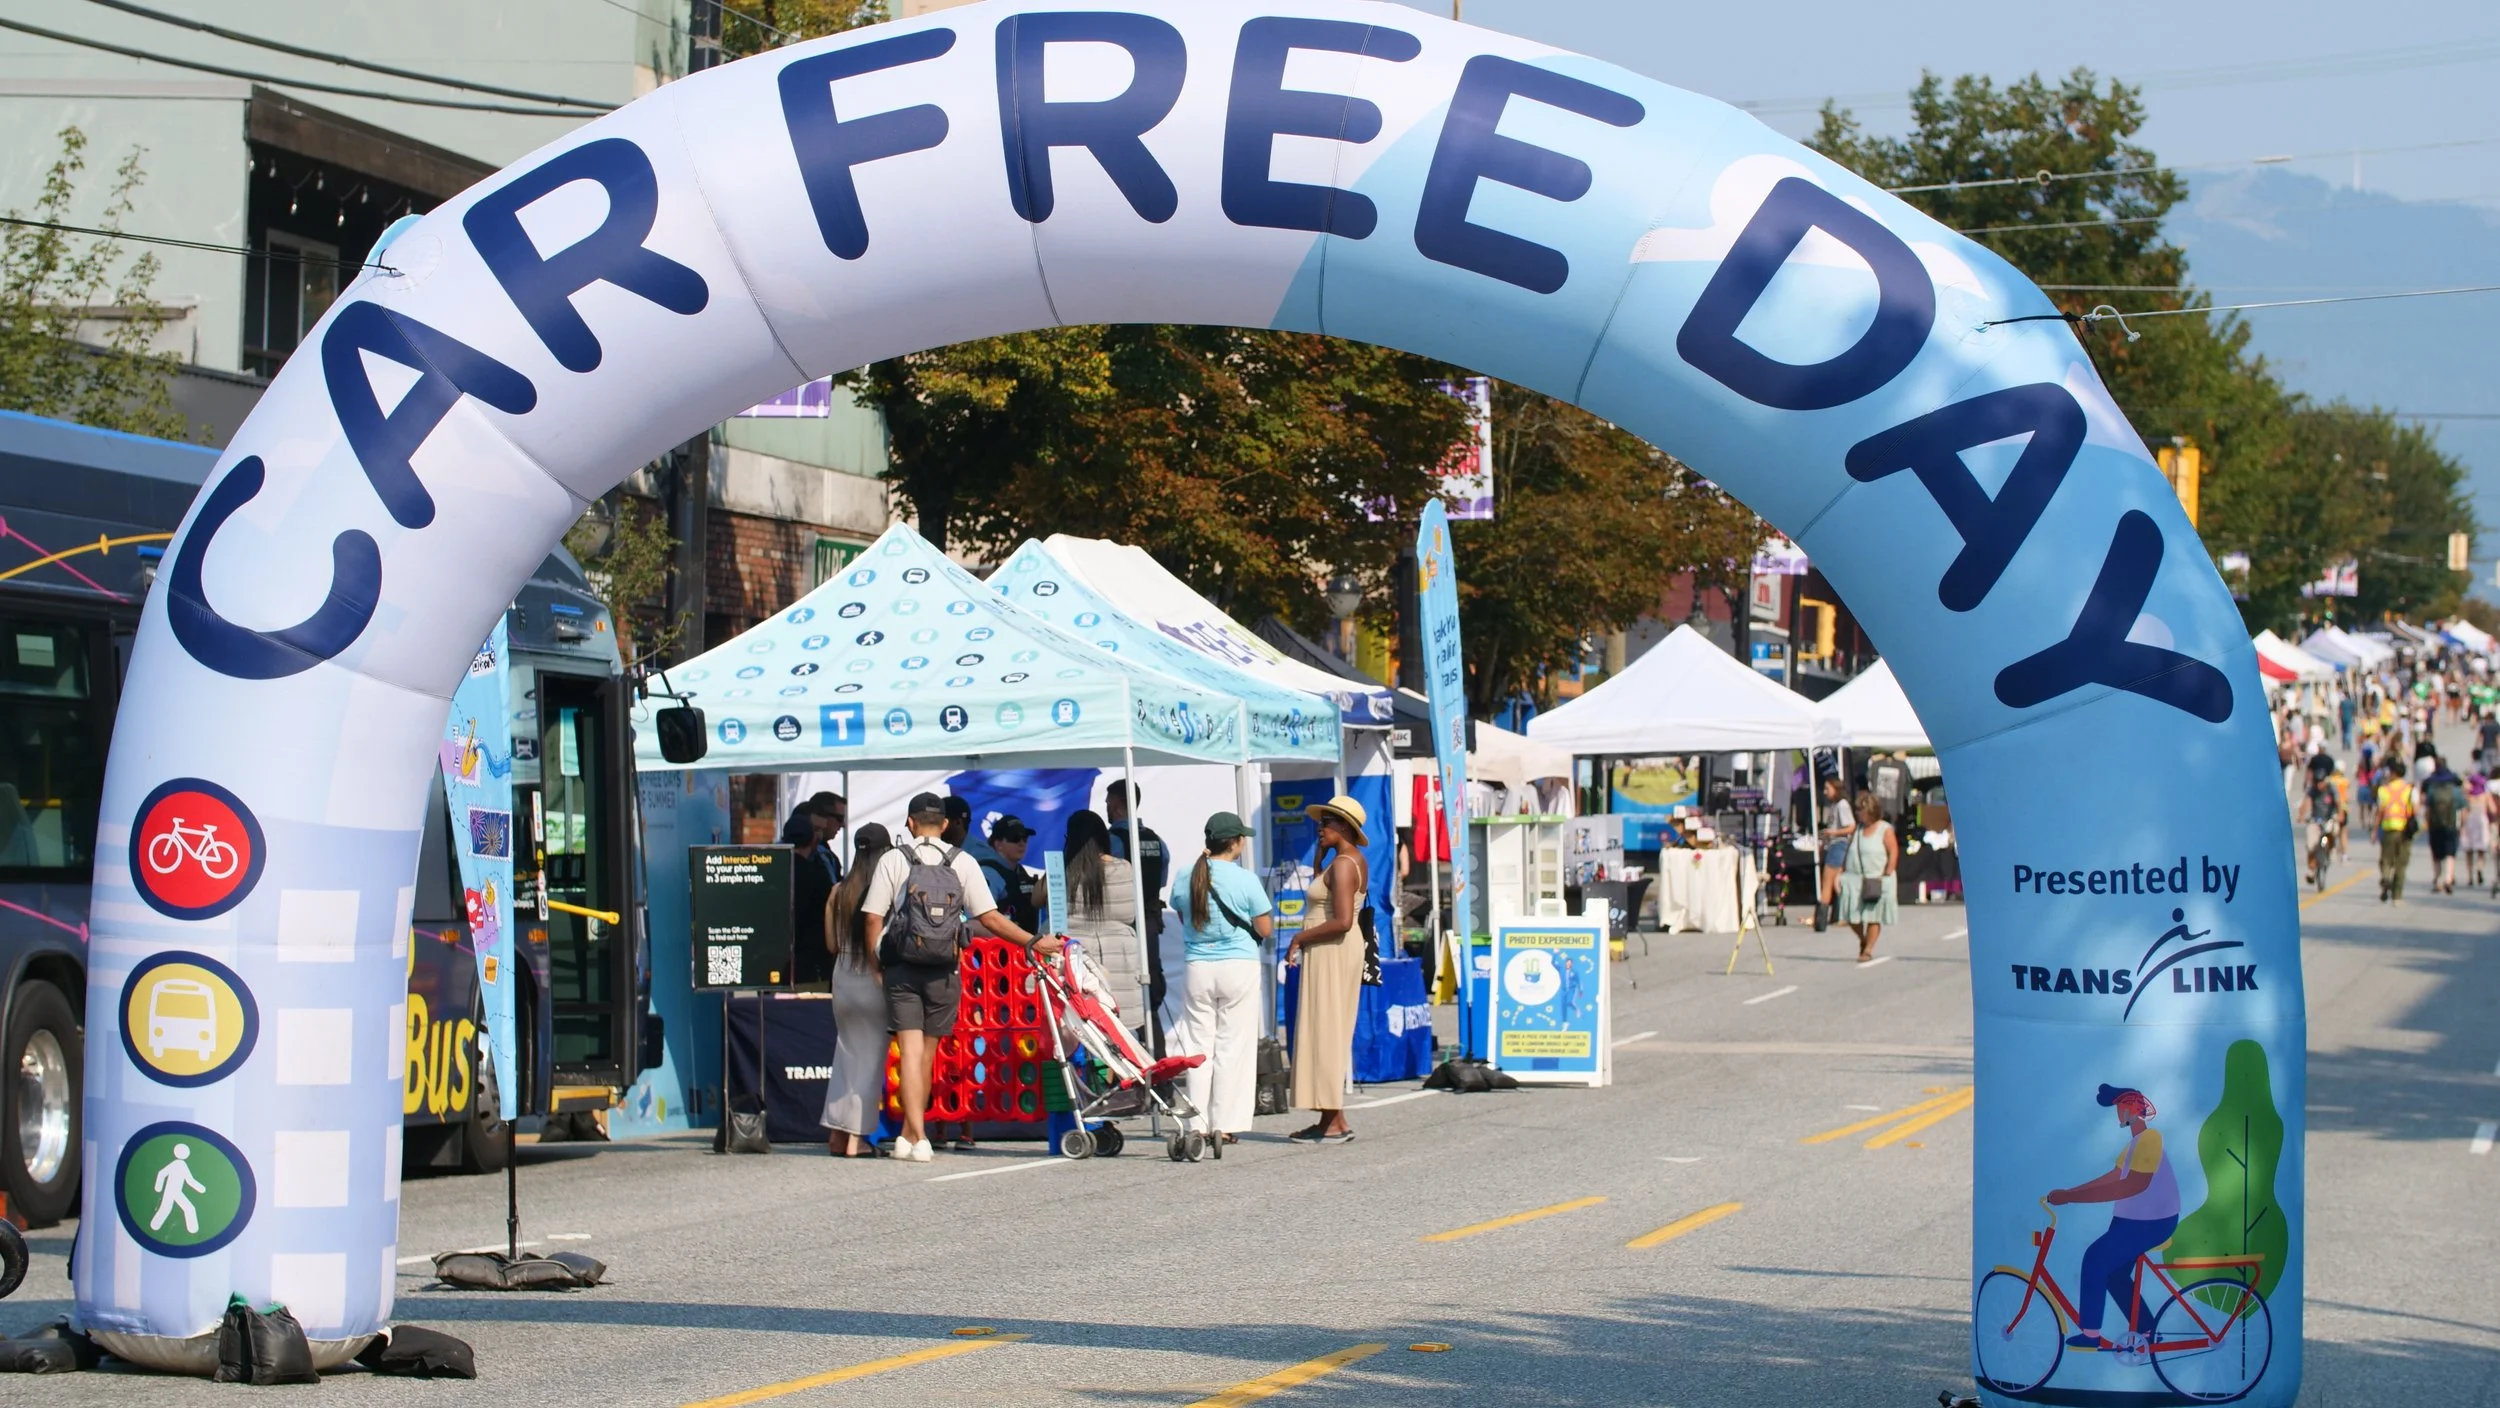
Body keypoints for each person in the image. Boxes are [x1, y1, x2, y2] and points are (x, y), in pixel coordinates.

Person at [860, 793, 1056, 1162]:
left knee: (909, 1051)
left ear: (909, 822)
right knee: (928, 1054)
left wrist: (875, 964)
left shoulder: (893, 859)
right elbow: (990, 918)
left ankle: (917, 1137)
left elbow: (872, 917)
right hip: (944, 966)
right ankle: (911, 1135)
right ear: (946, 824)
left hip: (902, 966)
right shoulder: (963, 861)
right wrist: (1032, 942)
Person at [2046, 1085, 2180, 1363]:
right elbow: (2113, 1177)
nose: (2118, 1113)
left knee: (2095, 1259)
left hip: (2151, 1221)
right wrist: (2070, 1193)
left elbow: (2131, 1186)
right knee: (2115, 1274)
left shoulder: (2150, 1139)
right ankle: (2147, 1330)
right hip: (2134, 1219)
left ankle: (2091, 1335)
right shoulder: (2135, 1143)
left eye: (2121, 1108)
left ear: (2133, 1109)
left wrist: (2074, 1198)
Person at [1174, 812, 1274, 1146]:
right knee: (1233, 1047)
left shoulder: (1186, 874)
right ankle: (1226, 1124)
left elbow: (1182, 912)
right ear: (1235, 843)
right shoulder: (1245, 879)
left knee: (1198, 1047)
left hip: (1198, 967)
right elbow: (1265, 928)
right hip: (1238, 965)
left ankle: (1196, 1124)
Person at [1287, 795, 1371, 1144]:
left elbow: (1342, 920)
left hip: (1333, 950)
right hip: (1333, 950)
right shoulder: (1346, 861)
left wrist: (1300, 937)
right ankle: (1332, 1118)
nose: (1320, 828)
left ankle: (1332, 1120)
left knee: (1325, 1030)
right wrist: (1321, 861)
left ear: (1346, 827)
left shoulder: (1344, 865)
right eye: (1320, 822)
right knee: (1327, 1030)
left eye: (1328, 822)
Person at [820, 823, 893, 1158]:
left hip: (843, 976)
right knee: (871, 1060)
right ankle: (856, 1139)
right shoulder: (887, 889)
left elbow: (832, 945)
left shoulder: (838, 891)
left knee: (846, 1055)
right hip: (872, 977)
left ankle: (837, 1134)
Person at [1053, 810, 1146, 1024]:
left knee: (1082, 1024)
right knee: (1121, 1028)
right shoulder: (1123, 868)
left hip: (1077, 954)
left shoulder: (1065, 871)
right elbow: (1130, 912)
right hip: (1120, 951)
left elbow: (1036, 899)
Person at [1103, 780, 1172, 1049]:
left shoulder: (1112, 841)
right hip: (1150, 921)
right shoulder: (1157, 841)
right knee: (1150, 990)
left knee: (1119, 993)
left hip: (1122, 924)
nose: (1107, 807)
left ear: (1118, 803)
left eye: (1109, 801)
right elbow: (1161, 881)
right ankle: (1159, 1070)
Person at [1835, 789, 1898, 963]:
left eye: (1860, 811)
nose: (1857, 814)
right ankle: (1862, 939)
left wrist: (1888, 871)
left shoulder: (1885, 829)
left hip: (1876, 878)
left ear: (1870, 811)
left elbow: (1893, 851)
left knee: (1873, 916)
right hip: (1854, 878)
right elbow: (1849, 850)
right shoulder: (1858, 830)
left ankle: (1868, 949)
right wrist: (1841, 871)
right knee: (1851, 916)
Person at [784, 804, 838, 987]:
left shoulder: (771, 871)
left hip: (776, 963)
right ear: (813, 840)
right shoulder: (818, 874)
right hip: (812, 964)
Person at [977, 815, 1039, 932]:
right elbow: (980, 920)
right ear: (998, 844)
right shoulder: (989, 872)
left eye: (1025, 838)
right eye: (1014, 838)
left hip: (1026, 944)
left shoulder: (1020, 871)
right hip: (999, 946)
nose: (1021, 843)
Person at [2421, 756, 2466, 894]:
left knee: (2436, 854)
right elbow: (2462, 806)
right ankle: (2448, 878)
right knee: (2450, 853)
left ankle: (2438, 879)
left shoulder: (2432, 786)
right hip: (2451, 823)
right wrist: (2462, 825)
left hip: (2435, 824)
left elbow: (2427, 807)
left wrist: (2427, 822)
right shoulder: (2454, 786)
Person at [1815, 775, 1854, 932]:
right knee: (1837, 882)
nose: (1825, 792)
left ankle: (1821, 919)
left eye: (1827, 788)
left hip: (1839, 844)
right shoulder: (1833, 805)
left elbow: (1851, 827)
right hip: (1832, 844)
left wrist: (1834, 832)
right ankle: (1844, 913)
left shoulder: (1842, 805)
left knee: (1828, 881)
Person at [2376, 762, 2417, 904]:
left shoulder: (2383, 790)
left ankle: (2386, 877)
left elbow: (2379, 813)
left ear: (2393, 773)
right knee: (2401, 863)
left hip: (2388, 828)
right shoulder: (2409, 789)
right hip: (2405, 830)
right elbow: (2414, 810)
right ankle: (2397, 896)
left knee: (2386, 860)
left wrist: (2375, 831)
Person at [2463, 774, 2491, 889]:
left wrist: (2462, 826)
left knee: (2468, 851)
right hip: (2481, 822)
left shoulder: (2468, 796)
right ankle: (2479, 868)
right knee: (2481, 849)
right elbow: (2491, 810)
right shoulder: (2485, 795)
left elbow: (2464, 812)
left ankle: (2470, 876)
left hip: (2469, 822)